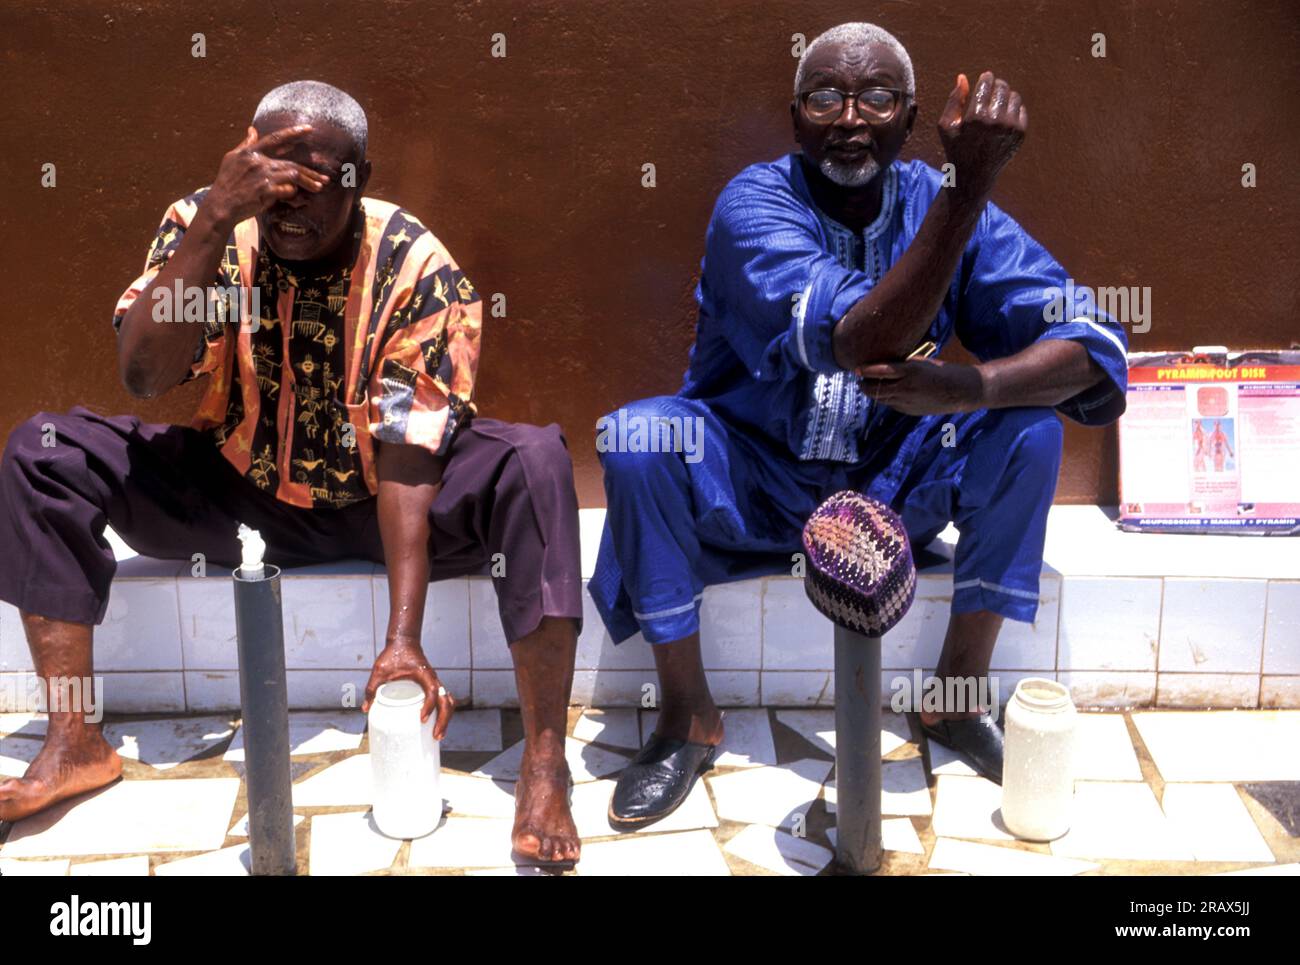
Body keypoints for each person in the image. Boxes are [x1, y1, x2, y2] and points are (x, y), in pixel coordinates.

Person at [0, 81, 582, 865]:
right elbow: (143, 373)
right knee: (43, 449)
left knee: (537, 458)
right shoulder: (206, 230)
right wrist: (213, 217)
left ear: (359, 179)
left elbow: (412, 452)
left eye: (314, 187)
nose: (290, 208)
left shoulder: (416, 263)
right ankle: (74, 740)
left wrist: (401, 638)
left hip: (390, 499)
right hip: (239, 496)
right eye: (273, 185)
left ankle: (546, 763)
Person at [589, 23, 1129, 827]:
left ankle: (953, 696)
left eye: (877, 97)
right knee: (638, 438)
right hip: (752, 474)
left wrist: (963, 388)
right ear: (794, 117)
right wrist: (968, 187)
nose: (850, 118)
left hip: (889, 484)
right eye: (825, 97)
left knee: (1028, 428)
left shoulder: (939, 203)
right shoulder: (754, 203)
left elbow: (1096, 347)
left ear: (911, 117)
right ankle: (685, 715)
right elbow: (859, 340)